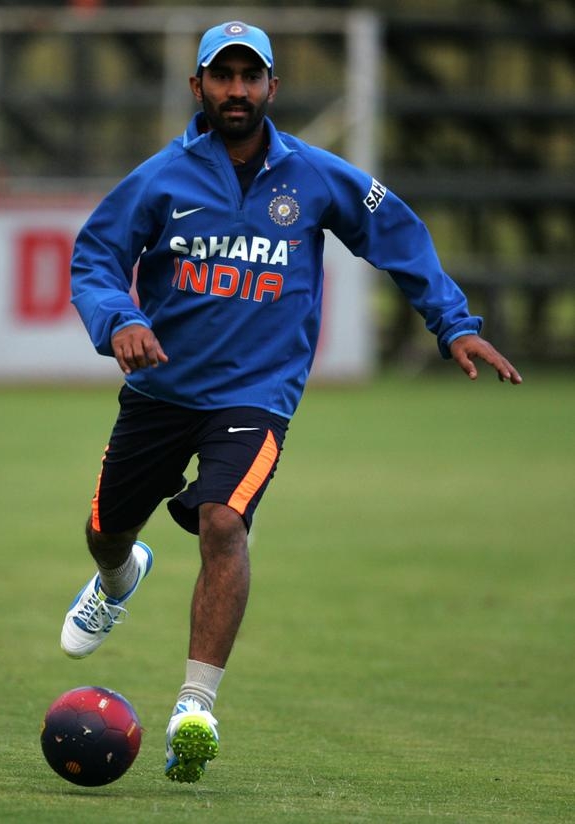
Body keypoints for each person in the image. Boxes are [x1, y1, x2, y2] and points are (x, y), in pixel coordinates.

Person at [60, 20, 522, 784]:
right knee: (107, 531)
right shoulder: (159, 179)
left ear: (273, 86)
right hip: (161, 391)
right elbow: (96, 257)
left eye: (251, 77)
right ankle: (116, 579)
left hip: (256, 395)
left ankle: (195, 706)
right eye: (222, 76)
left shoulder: (317, 175)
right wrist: (122, 319)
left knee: (223, 520)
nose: (236, 90)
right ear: (197, 87)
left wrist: (454, 326)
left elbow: (397, 234)